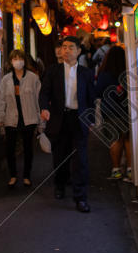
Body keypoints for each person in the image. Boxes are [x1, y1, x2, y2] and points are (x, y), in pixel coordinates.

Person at [39, 35, 97, 213]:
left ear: (79, 51)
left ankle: (80, 197)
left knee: (81, 159)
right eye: (63, 47)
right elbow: (44, 93)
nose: (66, 50)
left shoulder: (86, 73)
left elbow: (91, 98)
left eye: (71, 47)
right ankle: (60, 184)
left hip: (78, 118)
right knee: (59, 156)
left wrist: (91, 119)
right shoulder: (52, 71)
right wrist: (44, 108)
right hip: (59, 118)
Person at [0, 49, 41, 189]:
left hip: (29, 118)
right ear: (10, 61)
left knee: (28, 149)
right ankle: (13, 175)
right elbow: (0, 99)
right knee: (10, 148)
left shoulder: (33, 78)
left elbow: (38, 99)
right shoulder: (6, 79)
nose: (17, 61)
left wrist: (40, 120)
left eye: (20, 58)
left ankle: (27, 176)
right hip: (11, 119)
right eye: (14, 58)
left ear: (24, 61)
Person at [97, 44, 130, 179]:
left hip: (109, 112)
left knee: (114, 140)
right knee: (128, 139)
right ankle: (130, 169)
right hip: (127, 110)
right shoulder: (127, 73)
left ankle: (116, 169)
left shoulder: (104, 74)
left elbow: (97, 92)